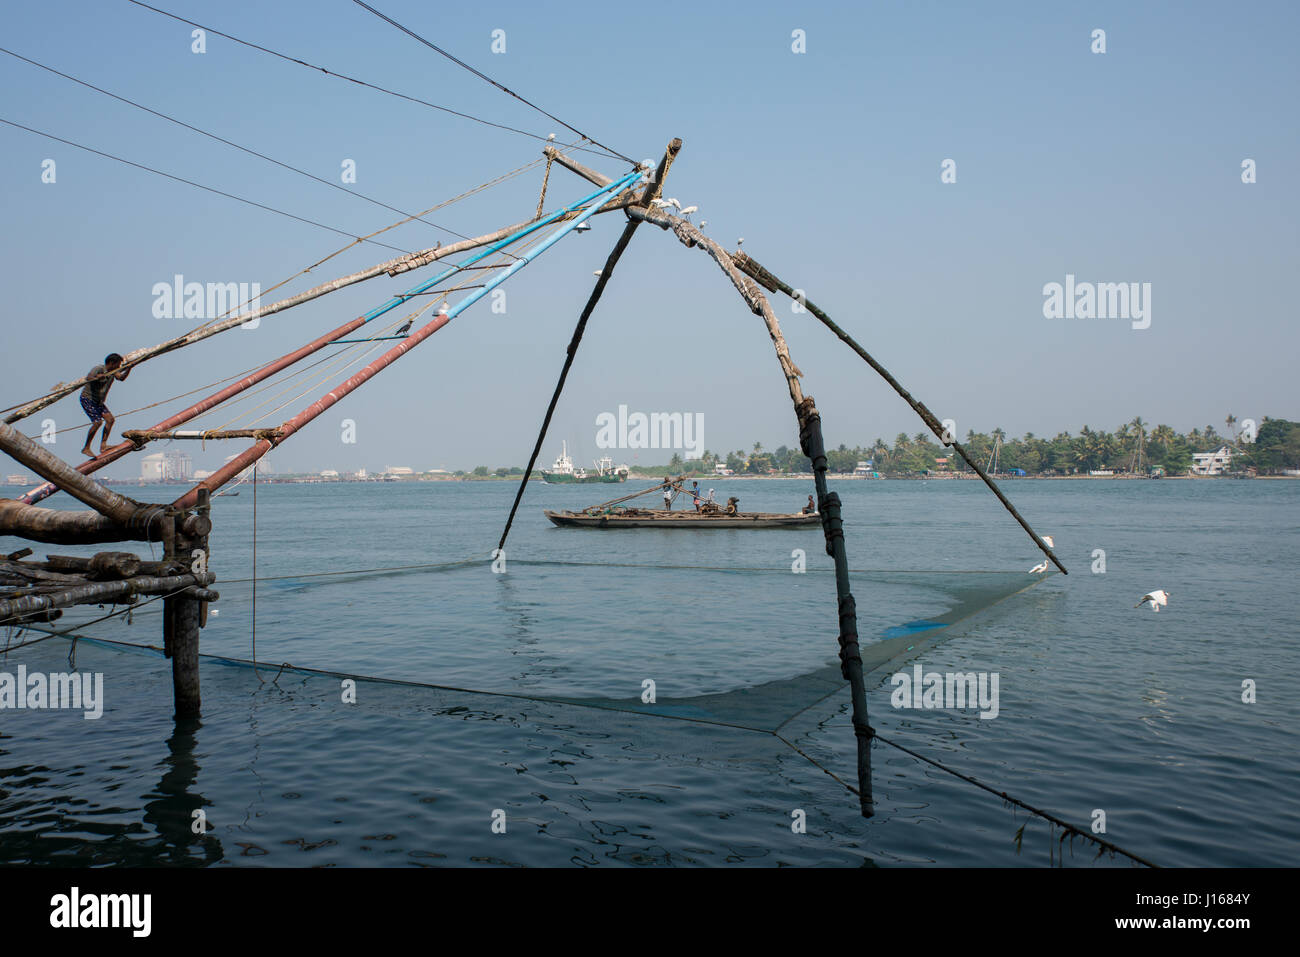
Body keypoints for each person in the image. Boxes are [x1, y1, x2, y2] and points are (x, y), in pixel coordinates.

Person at [79, 353, 129, 458]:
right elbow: (89, 377)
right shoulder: (99, 368)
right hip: (88, 399)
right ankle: (86, 448)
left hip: (98, 402)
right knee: (97, 423)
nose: (119, 367)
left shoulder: (113, 372)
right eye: (118, 364)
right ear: (112, 363)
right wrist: (97, 377)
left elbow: (121, 378)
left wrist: (129, 368)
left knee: (110, 420)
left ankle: (103, 445)